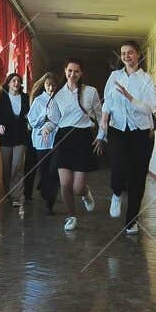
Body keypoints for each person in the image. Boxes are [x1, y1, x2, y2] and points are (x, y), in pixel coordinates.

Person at [100, 39, 156, 237]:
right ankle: (116, 193)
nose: (126, 56)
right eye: (123, 53)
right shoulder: (114, 76)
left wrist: (129, 97)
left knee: (137, 177)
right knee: (118, 168)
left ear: (138, 55)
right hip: (118, 129)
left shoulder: (146, 80)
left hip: (141, 132)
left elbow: (148, 108)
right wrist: (104, 118)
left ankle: (131, 220)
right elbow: (107, 101)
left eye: (130, 52)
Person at [39, 58, 103, 232]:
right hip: (63, 138)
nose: (72, 74)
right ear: (65, 71)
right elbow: (54, 119)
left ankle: (85, 193)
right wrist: (46, 128)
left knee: (77, 187)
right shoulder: (58, 94)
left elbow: (100, 115)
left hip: (83, 137)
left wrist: (102, 135)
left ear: (81, 73)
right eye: (70, 71)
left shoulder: (90, 92)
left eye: (76, 71)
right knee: (65, 183)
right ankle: (71, 216)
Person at [0, 72, 31, 207]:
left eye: (18, 81)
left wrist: (29, 121)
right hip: (6, 136)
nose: (16, 83)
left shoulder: (25, 98)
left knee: (17, 166)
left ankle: (16, 196)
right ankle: (8, 193)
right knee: (6, 167)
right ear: (8, 83)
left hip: (21, 136)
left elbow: (29, 114)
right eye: (13, 80)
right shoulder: (3, 98)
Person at [25, 72, 61, 213]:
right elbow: (32, 121)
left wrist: (51, 124)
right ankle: (45, 190)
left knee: (54, 170)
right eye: (48, 85)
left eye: (53, 85)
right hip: (41, 141)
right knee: (44, 169)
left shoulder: (59, 100)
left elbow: (60, 119)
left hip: (56, 139)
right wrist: (43, 115)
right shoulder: (38, 101)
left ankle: (50, 202)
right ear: (44, 86)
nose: (51, 88)